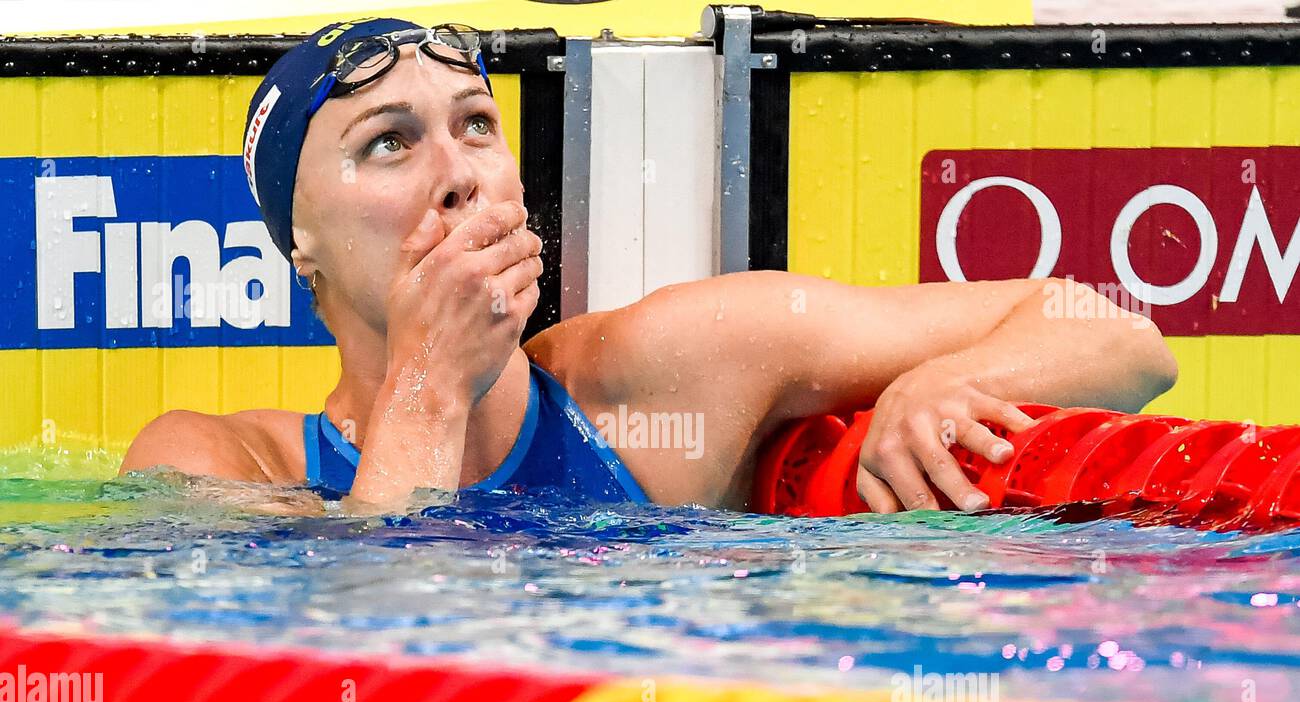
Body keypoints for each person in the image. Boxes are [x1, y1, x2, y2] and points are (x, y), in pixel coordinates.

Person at [121, 18, 1178, 514]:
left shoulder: (668, 372)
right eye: (388, 141)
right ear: (297, 244)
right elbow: (366, 668)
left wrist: (956, 379)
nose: (459, 173)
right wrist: (428, 384)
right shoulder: (218, 470)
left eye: (477, 125)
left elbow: (1118, 334)